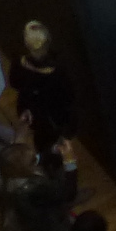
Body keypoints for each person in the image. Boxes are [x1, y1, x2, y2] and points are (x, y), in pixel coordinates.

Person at [11, 18, 78, 158]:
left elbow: (14, 83)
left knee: (42, 143)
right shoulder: (58, 71)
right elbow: (69, 98)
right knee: (57, 147)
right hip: (54, 117)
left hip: (33, 114)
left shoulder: (19, 62)